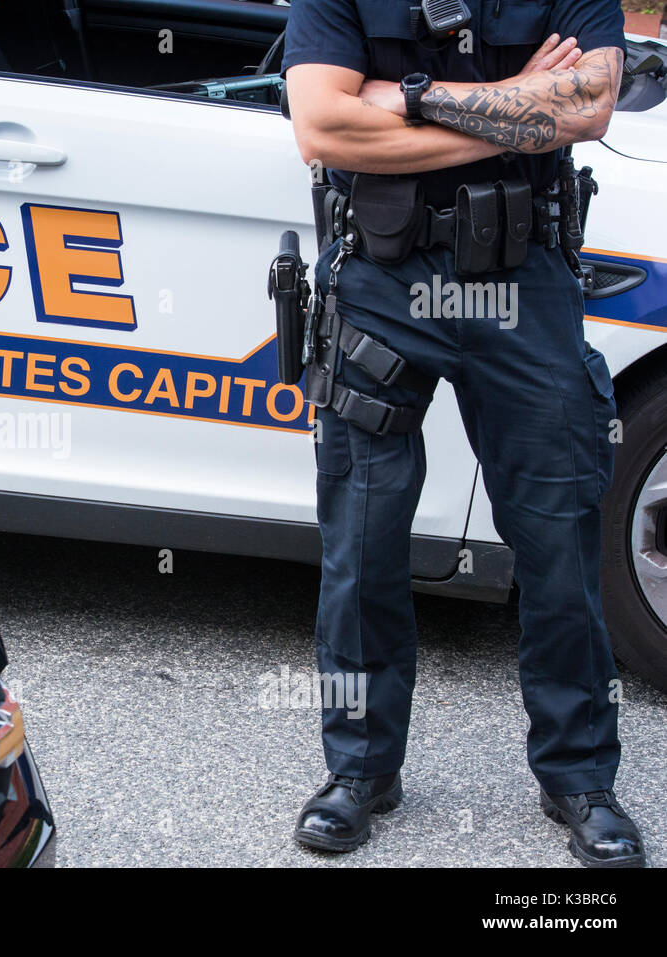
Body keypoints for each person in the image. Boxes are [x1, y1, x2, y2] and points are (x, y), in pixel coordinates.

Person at [282, 0, 644, 866]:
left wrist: (402, 98)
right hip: (381, 278)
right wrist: (520, 105)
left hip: (525, 281)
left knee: (558, 537)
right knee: (360, 542)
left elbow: (588, 107)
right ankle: (359, 768)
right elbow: (323, 125)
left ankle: (580, 776)